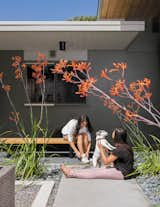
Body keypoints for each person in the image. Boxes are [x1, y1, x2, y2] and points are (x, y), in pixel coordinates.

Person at [61, 128, 134, 180]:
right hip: (124, 170)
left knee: (95, 173)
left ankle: (70, 173)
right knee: (95, 169)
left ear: (116, 137)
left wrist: (101, 149)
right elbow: (116, 158)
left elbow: (106, 162)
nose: (112, 134)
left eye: (113, 133)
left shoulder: (120, 149)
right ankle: (71, 171)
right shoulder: (126, 146)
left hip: (122, 173)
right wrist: (107, 151)